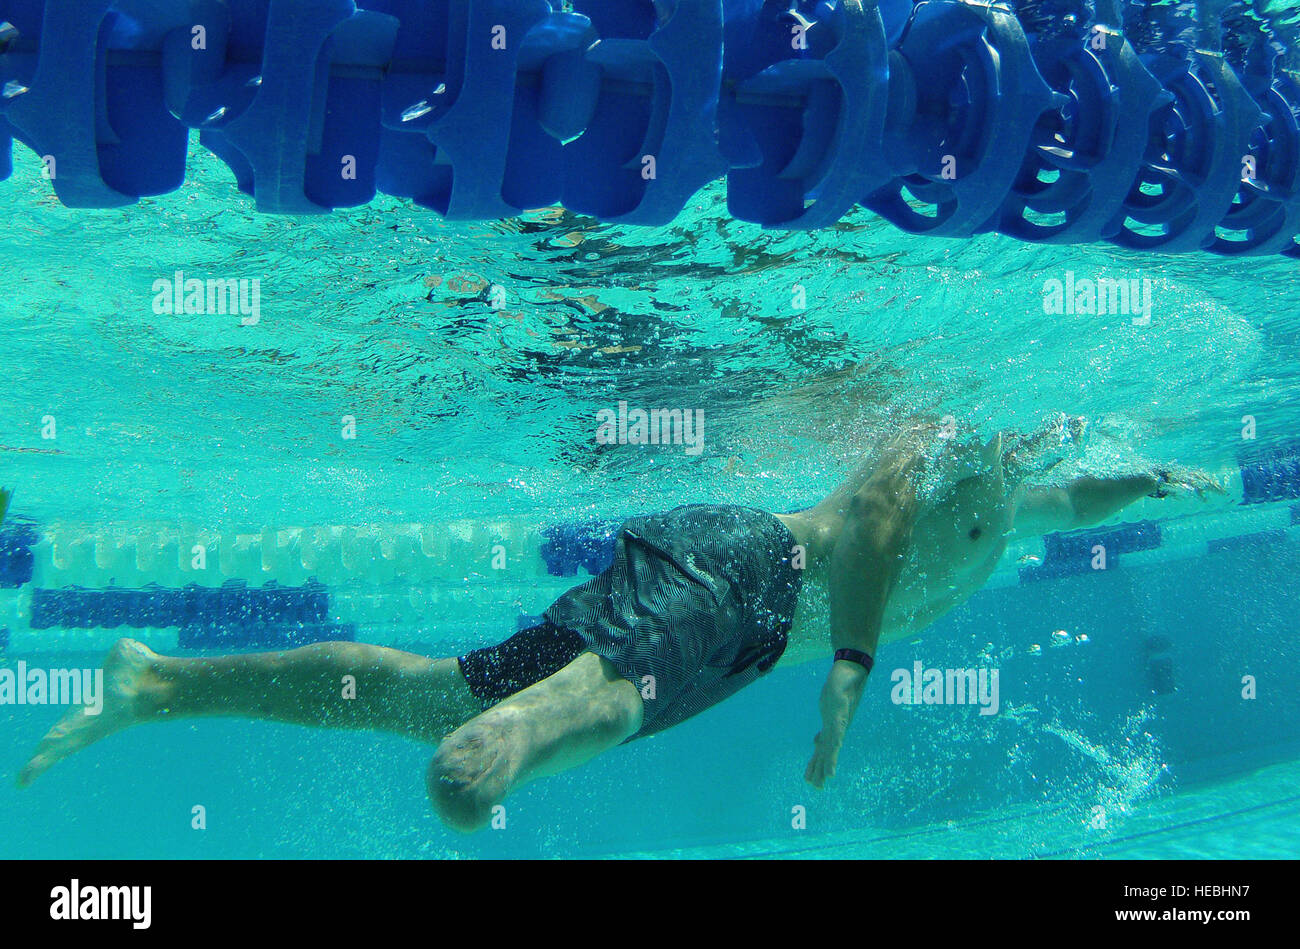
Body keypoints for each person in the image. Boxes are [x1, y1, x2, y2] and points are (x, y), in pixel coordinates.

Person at [16, 417, 1221, 832]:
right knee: (575, 703)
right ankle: (514, 746)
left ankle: (162, 682)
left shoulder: (1008, 504)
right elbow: (870, 516)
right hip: (739, 569)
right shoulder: (937, 453)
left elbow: (1074, 499)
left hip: (737, 627)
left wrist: (1150, 478)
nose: (1044, 446)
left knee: (428, 689)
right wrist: (851, 662)